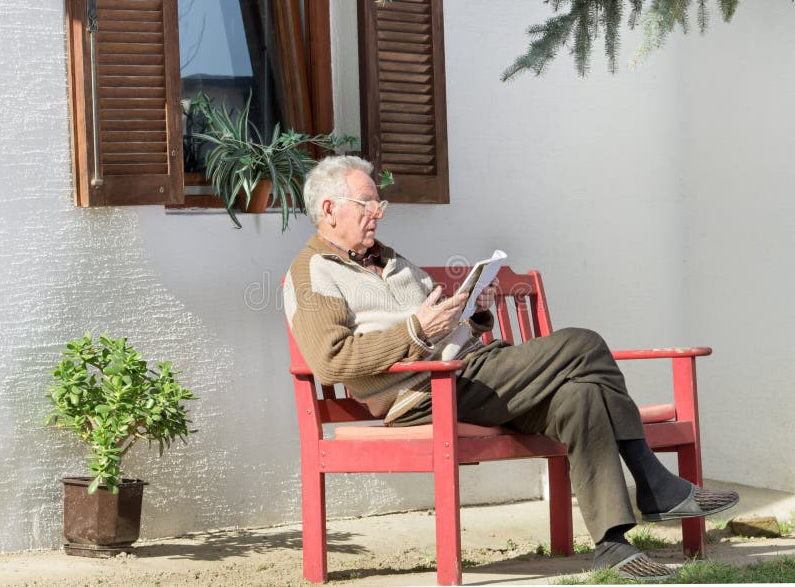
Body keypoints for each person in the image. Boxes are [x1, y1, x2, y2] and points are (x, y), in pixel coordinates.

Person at [283, 155, 739, 581]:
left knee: (581, 396)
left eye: (378, 204)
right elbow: (331, 359)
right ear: (329, 209)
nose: (378, 213)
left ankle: (612, 545)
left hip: (472, 372)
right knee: (585, 345)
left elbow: (437, 321)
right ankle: (654, 484)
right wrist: (417, 331)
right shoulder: (312, 274)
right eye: (367, 204)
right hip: (427, 392)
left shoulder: (391, 260)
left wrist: (470, 311)